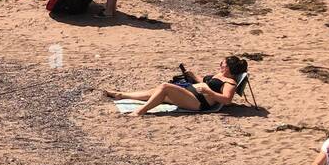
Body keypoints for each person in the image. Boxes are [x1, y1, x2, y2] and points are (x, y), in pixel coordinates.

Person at [104, 56, 248, 116]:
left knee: (165, 87)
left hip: (199, 103)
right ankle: (122, 94)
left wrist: (208, 91)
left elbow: (227, 100)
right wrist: (193, 76)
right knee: (156, 92)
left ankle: (139, 112)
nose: (220, 64)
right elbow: (203, 82)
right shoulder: (220, 74)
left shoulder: (230, 83)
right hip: (192, 94)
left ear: (229, 67)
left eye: (223, 63)